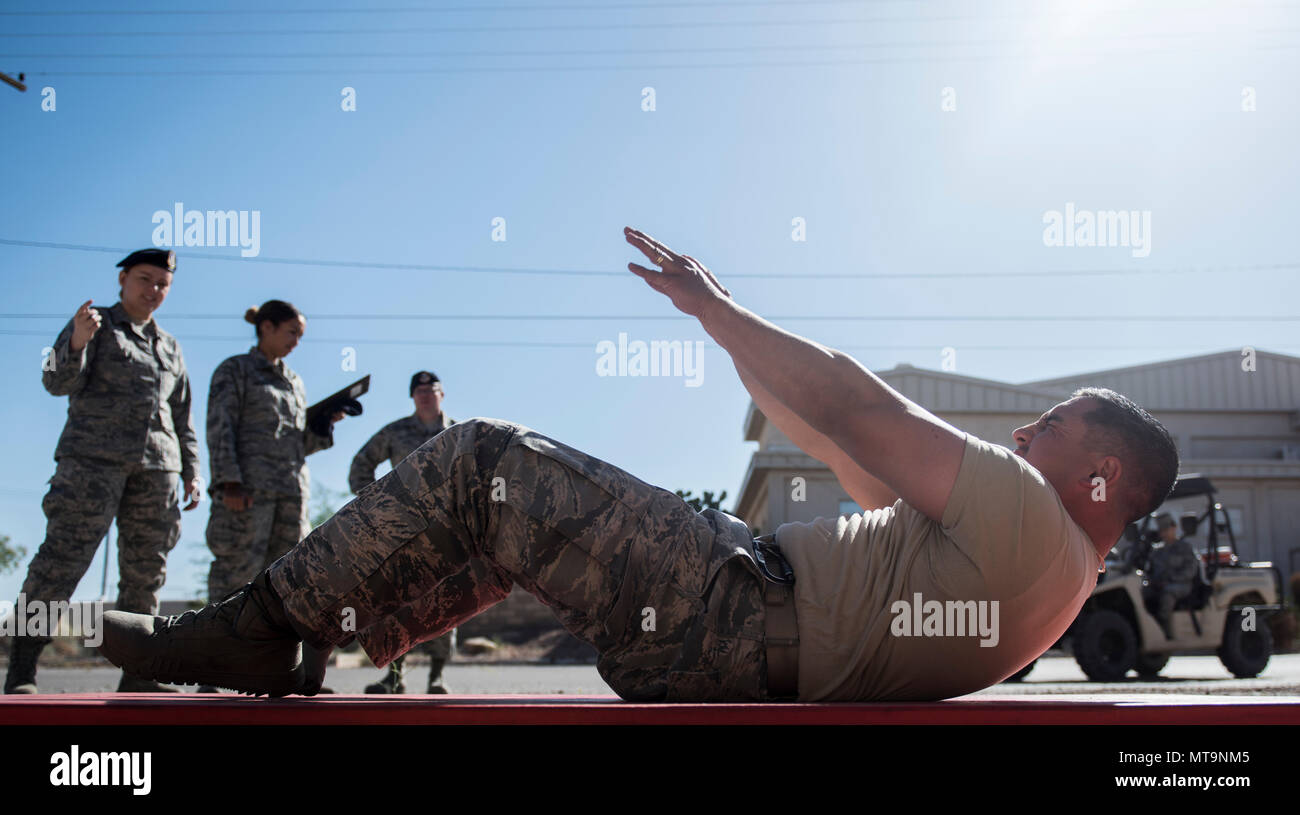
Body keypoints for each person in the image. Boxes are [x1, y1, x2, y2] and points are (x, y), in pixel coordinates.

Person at [98, 227, 1180, 702]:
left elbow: (853, 395)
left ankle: (251, 625)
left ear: (1104, 474)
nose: (1032, 426)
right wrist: (728, 339)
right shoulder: (1039, 578)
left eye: (1060, 421)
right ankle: (301, 641)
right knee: (494, 529)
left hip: (727, 600)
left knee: (481, 459)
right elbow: (831, 436)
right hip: (725, 643)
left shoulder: (1030, 509)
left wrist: (716, 304)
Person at [6, 249, 202, 694]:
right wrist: (75, 341)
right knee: (60, 564)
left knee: (146, 573)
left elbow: (181, 414)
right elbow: (54, 381)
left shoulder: (170, 346)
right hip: (91, 466)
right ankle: (22, 669)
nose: (153, 290)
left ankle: (139, 673)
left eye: (162, 284)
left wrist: (192, 470)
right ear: (123, 279)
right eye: (145, 279)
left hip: (157, 471)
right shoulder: (93, 324)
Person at [200, 299, 345, 693]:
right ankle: (211, 672)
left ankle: (279, 672)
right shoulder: (236, 370)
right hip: (247, 494)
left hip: (290, 497)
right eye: (292, 332)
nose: (297, 341)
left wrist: (323, 425)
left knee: (286, 584)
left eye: (301, 335)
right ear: (266, 327)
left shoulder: (294, 381)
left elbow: (298, 445)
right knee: (233, 576)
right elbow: (220, 426)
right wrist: (229, 481)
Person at [348, 371, 457, 694]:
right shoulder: (396, 432)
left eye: (432, 389)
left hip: (448, 530)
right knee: (397, 600)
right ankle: (395, 675)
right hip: (403, 530)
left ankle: (437, 676)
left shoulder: (457, 433)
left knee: (447, 598)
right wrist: (377, 506)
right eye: (419, 390)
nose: (425, 395)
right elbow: (361, 464)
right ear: (412, 396)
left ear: (442, 394)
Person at [1145, 512, 1200, 639]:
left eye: (1166, 529)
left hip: (1181, 585)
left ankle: (1166, 633)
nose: (1163, 533)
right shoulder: (1157, 550)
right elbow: (1149, 570)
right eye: (1161, 530)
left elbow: (1190, 570)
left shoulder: (1184, 548)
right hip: (1159, 584)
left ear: (1174, 528)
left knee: (1167, 595)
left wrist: (1170, 580)